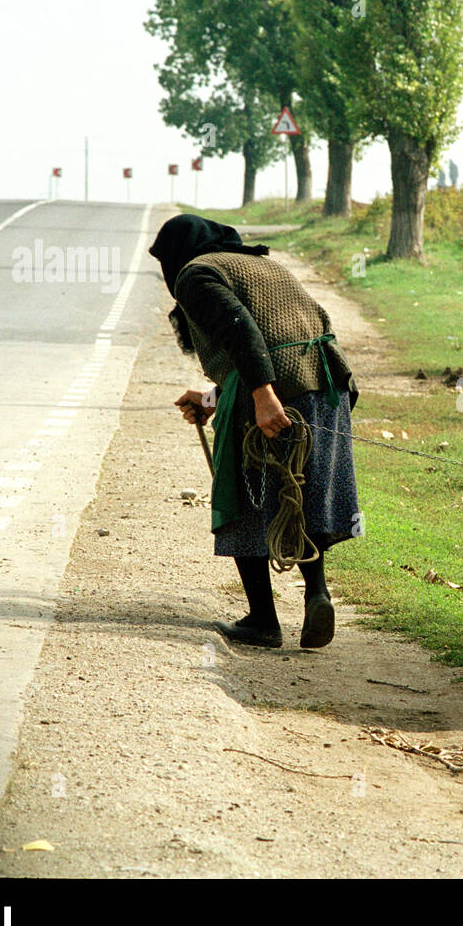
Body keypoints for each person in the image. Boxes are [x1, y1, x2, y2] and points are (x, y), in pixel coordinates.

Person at [149, 214, 360, 649]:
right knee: (299, 491)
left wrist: (263, 398)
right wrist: (212, 398)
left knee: (244, 496)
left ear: (175, 256)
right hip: (326, 386)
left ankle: (263, 620)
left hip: (276, 390)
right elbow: (276, 332)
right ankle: (317, 594)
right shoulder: (261, 265)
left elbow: (242, 331)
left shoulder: (196, 273)